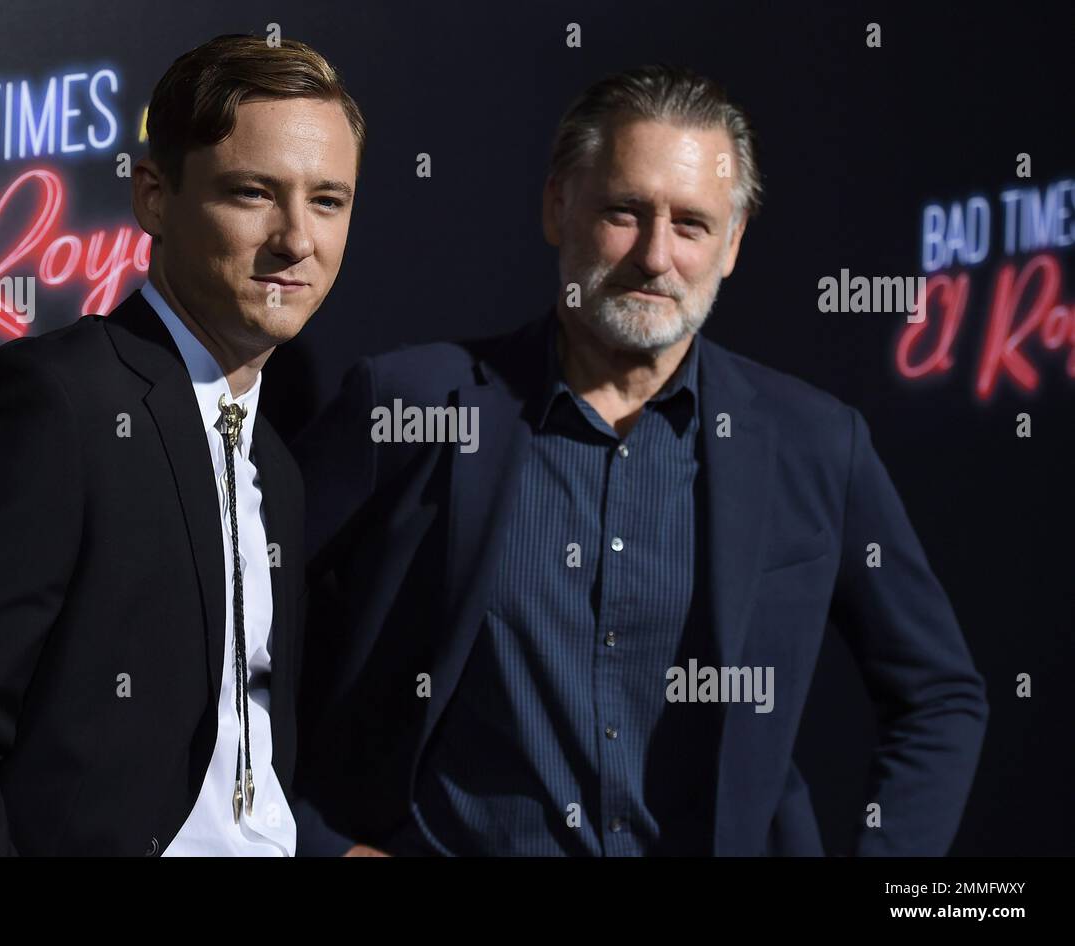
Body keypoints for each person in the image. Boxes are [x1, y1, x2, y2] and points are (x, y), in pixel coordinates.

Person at [292, 65, 987, 857]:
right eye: (624, 212)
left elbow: (939, 696)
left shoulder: (816, 444)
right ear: (558, 207)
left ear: (733, 243)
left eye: (692, 224)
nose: (656, 256)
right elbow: (236, 633)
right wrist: (317, 846)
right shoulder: (409, 405)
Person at [0, 34, 364, 855]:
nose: (296, 238)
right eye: (252, 193)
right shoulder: (49, 403)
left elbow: (232, 753)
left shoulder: (276, 461)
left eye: (329, 200)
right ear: (155, 198)